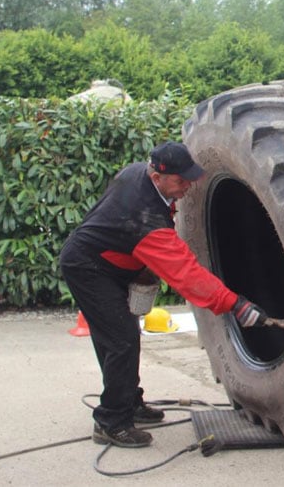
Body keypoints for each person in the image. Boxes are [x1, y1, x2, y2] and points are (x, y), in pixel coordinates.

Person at [60, 141, 268, 448]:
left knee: (122, 337)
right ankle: (111, 422)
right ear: (157, 177)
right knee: (120, 340)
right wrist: (235, 304)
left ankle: (130, 402)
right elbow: (187, 276)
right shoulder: (145, 220)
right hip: (87, 267)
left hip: (109, 260)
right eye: (180, 180)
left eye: (190, 177)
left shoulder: (136, 172)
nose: (188, 185)